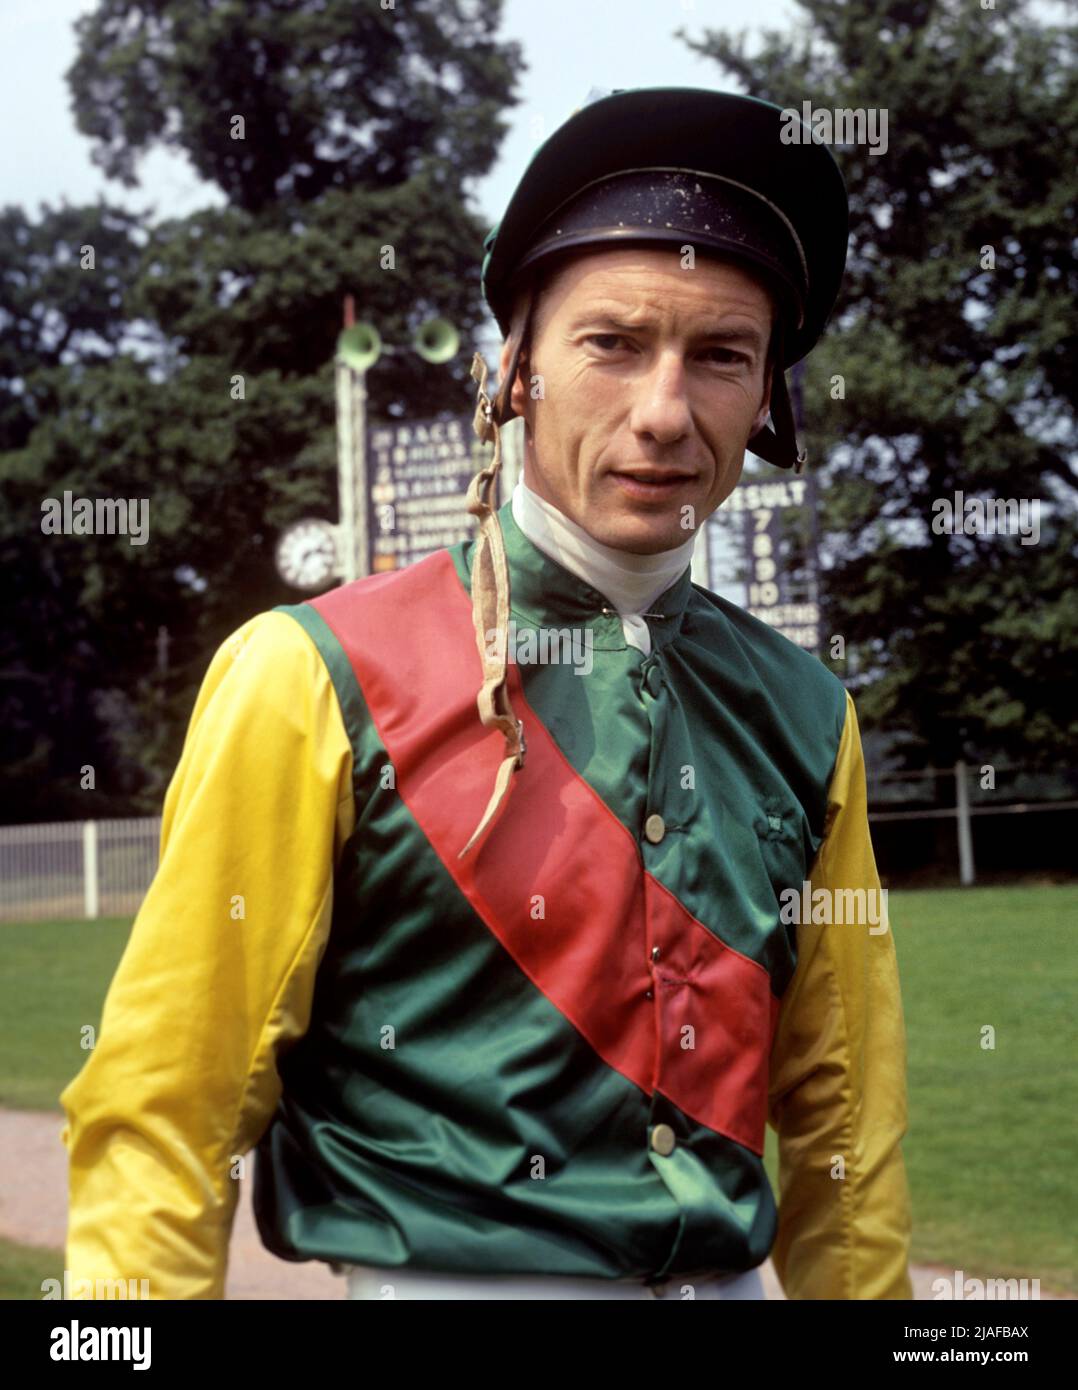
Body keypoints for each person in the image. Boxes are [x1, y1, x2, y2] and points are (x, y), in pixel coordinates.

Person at [60, 86, 914, 1301]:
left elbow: (846, 1135)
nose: (664, 413)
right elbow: (165, 1106)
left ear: (768, 400)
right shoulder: (309, 673)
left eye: (720, 357)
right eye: (612, 343)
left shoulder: (808, 712)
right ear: (512, 370)